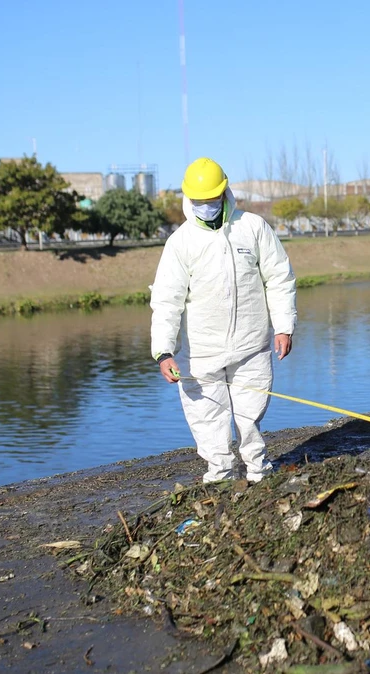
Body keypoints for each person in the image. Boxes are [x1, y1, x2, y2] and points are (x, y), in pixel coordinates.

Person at [150, 157, 297, 483]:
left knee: (249, 416)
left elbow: (279, 278)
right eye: (199, 201)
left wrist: (284, 326)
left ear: (224, 192)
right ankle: (221, 478)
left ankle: (258, 473)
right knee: (207, 420)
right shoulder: (180, 243)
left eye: (211, 199)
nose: (206, 206)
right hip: (202, 354)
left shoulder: (252, 228)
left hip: (251, 347)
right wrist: (163, 351)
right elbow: (166, 301)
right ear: (189, 199)